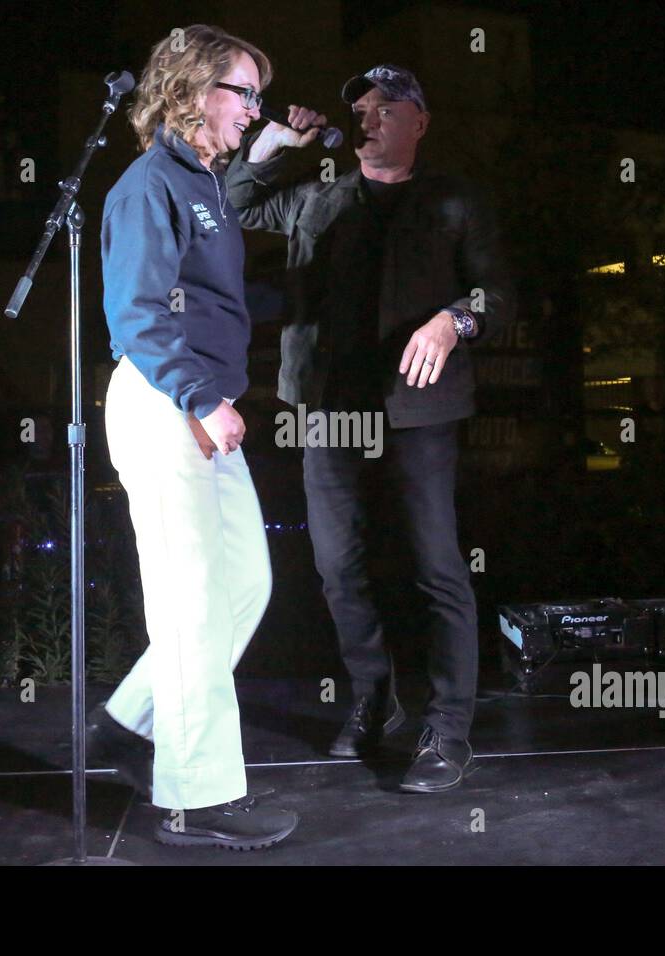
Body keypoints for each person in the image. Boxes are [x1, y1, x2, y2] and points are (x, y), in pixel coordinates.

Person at [226, 65, 515, 791]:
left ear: (420, 122)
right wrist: (275, 142)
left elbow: (498, 293)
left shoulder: (453, 200)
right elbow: (232, 205)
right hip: (329, 411)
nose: (367, 119)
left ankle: (447, 732)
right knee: (337, 567)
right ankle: (373, 703)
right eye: (359, 108)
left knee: (436, 566)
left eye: (386, 109)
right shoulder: (317, 197)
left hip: (420, 411)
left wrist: (457, 321)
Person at [88, 24, 297, 850]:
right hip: (167, 403)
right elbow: (136, 311)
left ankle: (128, 726)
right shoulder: (148, 186)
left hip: (204, 407)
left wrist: (275, 146)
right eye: (241, 92)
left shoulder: (205, 182)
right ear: (190, 89)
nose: (253, 109)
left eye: (256, 95)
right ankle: (195, 797)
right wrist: (202, 398)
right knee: (193, 603)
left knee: (245, 583)